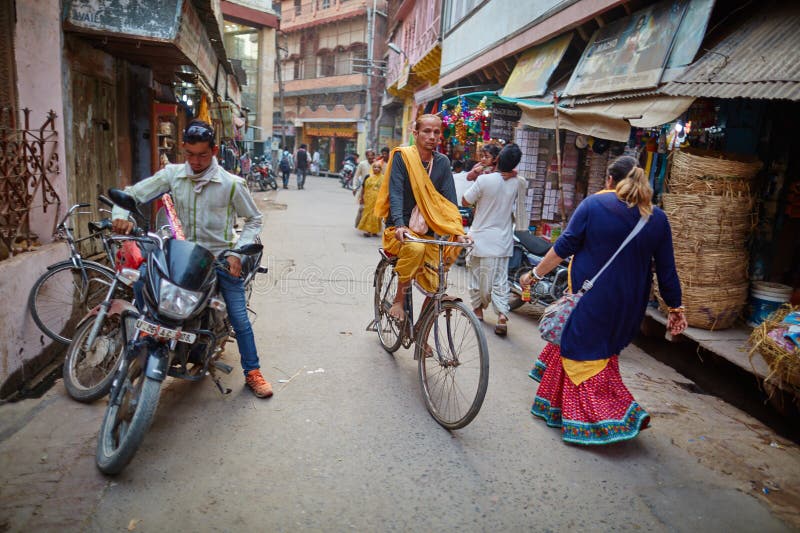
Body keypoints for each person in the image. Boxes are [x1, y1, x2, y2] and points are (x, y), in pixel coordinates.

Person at [520, 155, 687, 444]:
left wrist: (534, 274)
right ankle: (557, 408)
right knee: (598, 351)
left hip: (591, 299)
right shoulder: (657, 218)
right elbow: (667, 268)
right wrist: (675, 307)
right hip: (629, 306)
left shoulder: (594, 205)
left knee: (582, 353)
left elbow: (563, 247)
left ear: (610, 180)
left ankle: (600, 420)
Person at [110, 120, 273, 399]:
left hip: (219, 257)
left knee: (239, 317)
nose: (195, 162)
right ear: (183, 150)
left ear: (215, 151)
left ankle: (253, 371)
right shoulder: (172, 175)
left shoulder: (232, 184)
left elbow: (254, 219)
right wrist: (119, 217)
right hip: (184, 256)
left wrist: (236, 252)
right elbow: (132, 194)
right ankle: (148, 334)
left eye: (203, 155)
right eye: (190, 154)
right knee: (143, 282)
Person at [374, 114, 469, 321]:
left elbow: (449, 202)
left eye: (436, 132)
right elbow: (396, 192)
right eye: (426, 131)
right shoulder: (403, 156)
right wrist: (399, 225)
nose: (432, 136)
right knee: (415, 248)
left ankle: (420, 333)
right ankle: (399, 299)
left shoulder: (442, 162)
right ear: (415, 133)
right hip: (398, 230)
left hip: (428, 233)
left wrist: (459, 232)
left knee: (438, 284)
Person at [462, 143, 522, 336]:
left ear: (497, 159)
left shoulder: (485, 180)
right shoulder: (519, 181)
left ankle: (478, 311)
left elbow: (465, 201)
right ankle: (502, 316)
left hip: (479, 238)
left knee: (475, 276)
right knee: (500, 280)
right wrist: (513, 174)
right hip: (503, 240)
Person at [356, 160, 385, 237]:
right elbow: (363, 188)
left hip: (378, 200)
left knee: (376, 215)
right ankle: (368, 230)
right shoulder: (368, 177)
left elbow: (385, 190)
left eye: (378, 167)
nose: (376, 169)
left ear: (381, 169)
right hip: (368, 199)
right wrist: (361, 197)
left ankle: (374, 230)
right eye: (374, 167)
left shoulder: (383, 178)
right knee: (368, 214)